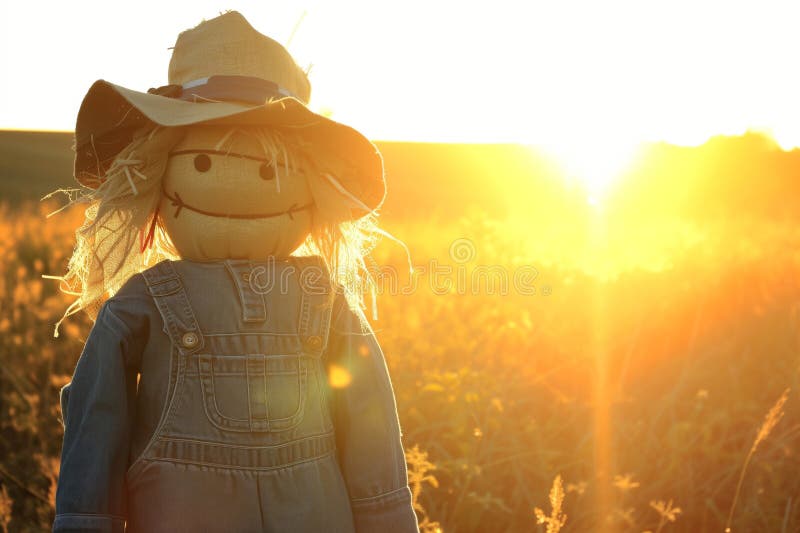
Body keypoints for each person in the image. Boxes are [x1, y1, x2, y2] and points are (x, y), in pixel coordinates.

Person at [51, 11, 418, 533]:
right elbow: (97, 414)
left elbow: (370, 418)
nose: (239, 183)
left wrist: (386, 516)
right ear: (157, 171)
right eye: (201, 162)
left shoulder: (323, 297)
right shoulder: (145, 299)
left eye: (271, 168)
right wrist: (87, 519)